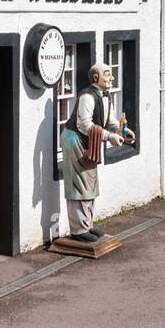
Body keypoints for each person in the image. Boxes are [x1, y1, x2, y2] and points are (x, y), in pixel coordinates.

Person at [59, 62, 129, 243]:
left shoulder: (105, 96)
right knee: (78, 185)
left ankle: (87, 225)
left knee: (90, 184)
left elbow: (108, 118)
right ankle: (78, 230)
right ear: (95, 77)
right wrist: (109, 136)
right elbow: (84, 125)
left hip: (87, 141)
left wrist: (120, 129)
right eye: (107, 74)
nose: (111, 77)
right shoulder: (87, 97)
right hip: (74, 140)